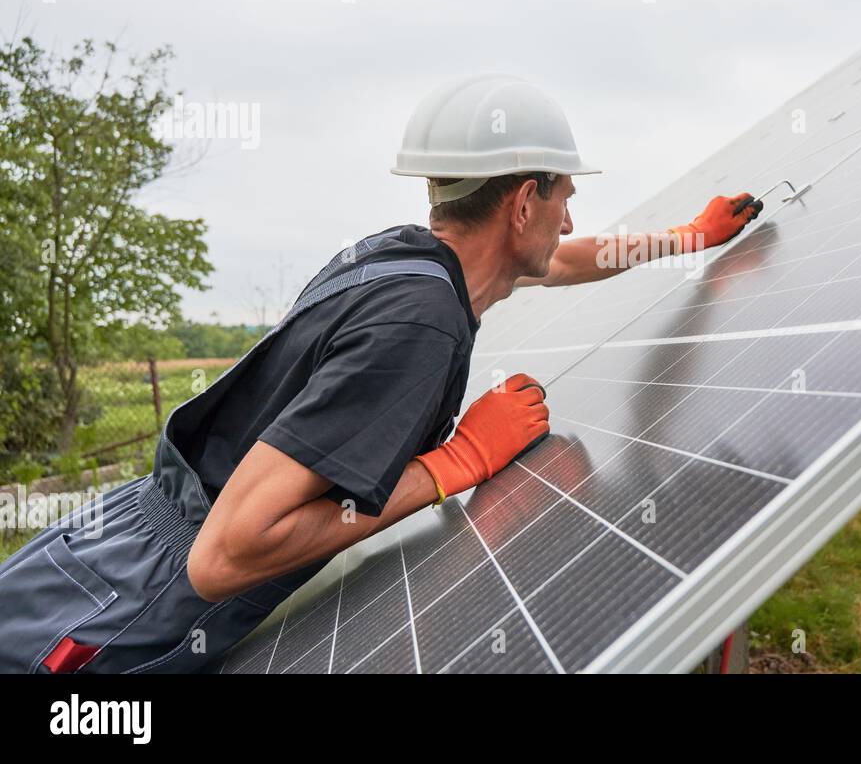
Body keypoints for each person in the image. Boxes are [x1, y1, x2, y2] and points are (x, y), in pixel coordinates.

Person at [0, 73, 763, 673]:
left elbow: (557, 261)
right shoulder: (421, 326)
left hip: (102, 552)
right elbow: (224, 555)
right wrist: (456, 463)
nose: (570, 217)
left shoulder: (410, 261)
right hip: (118, 617)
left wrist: (685, 238)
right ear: (523, 201)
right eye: (564, 195)